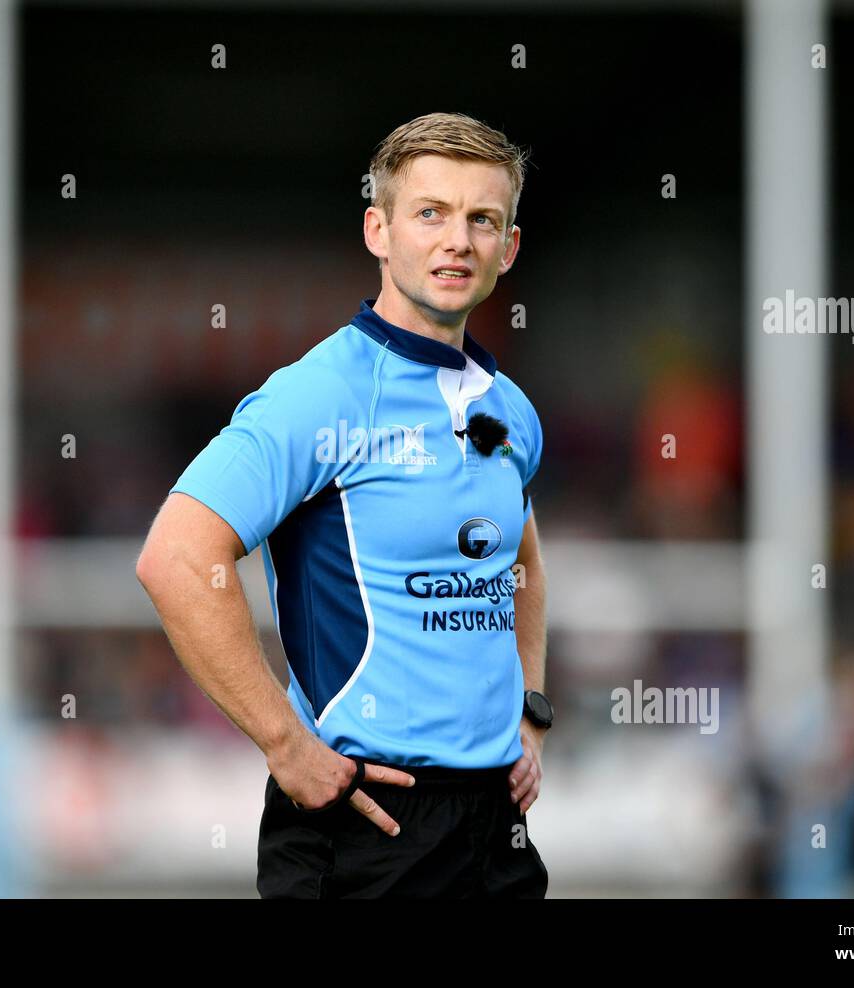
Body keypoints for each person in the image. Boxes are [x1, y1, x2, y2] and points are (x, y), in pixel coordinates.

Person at [137, 111, 552, 897]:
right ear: (379, 231)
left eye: (482, 219)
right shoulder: (319, 394)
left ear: (509, 246)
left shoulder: (512, 412)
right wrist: (284, 744)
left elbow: (521, 555)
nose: (457, 240)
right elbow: (177, 558)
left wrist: (531, 707)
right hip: (366, 827)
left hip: (497, 827)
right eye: (430, 213)